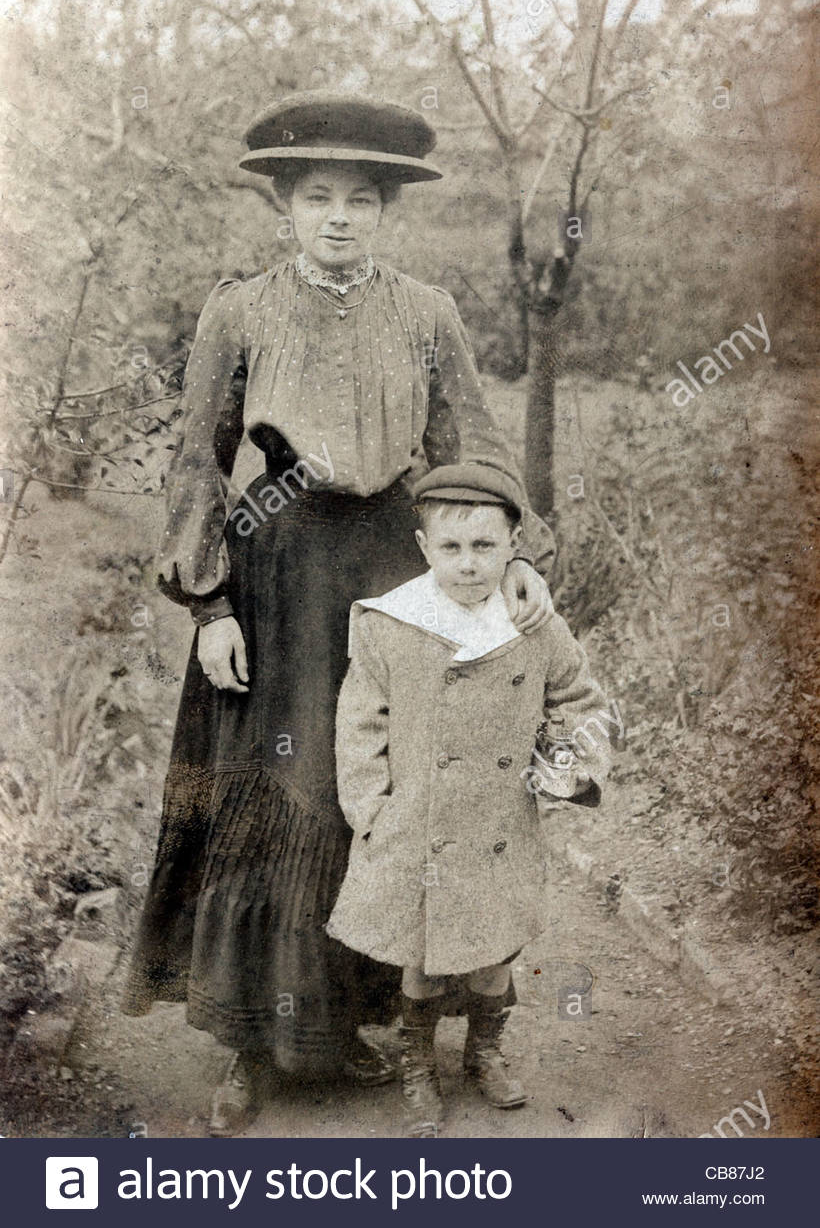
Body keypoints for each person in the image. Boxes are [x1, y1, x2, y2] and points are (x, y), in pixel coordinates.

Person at [120, 93, 556, 1136]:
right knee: (272, 793)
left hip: (396, 577)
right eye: (317, 197)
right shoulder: (240, 311)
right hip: (275, 576)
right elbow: (195, 462)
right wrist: (211, 603)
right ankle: (248, 1043)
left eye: (361, 199)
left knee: (390, 796)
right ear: (282, 203)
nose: (340, 218)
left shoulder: (428, 314)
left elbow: (477, 450)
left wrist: (511, 565)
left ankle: (375, 1021)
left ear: (386, 209)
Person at [326, 462, 610, 1137]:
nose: (468, 564)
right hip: (418, 821)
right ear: (425, 549)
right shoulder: (390, 623)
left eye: (485, 547)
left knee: (493, 951)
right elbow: (359, 720)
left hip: (500, 818)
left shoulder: (534, 627)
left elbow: (580, 699)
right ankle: (417, 1062)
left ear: (514, 545)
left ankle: (485, 1048)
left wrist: (565, 763)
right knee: (421, 959)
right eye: (451, 548)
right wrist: (371, 809)